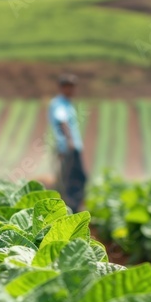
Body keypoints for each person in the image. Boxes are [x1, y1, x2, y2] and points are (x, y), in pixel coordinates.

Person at [48, 73, 87, 212]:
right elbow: (62, 121)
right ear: (61, 88)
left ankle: (73, 208)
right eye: (67, 87)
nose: (71, 90)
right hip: (68, 148)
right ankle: (72, 210)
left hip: (69, 147)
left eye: (72, 87)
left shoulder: (66, 103)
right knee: (74, 180)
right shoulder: (59, 103)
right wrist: (69, 141)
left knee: (76, 178)